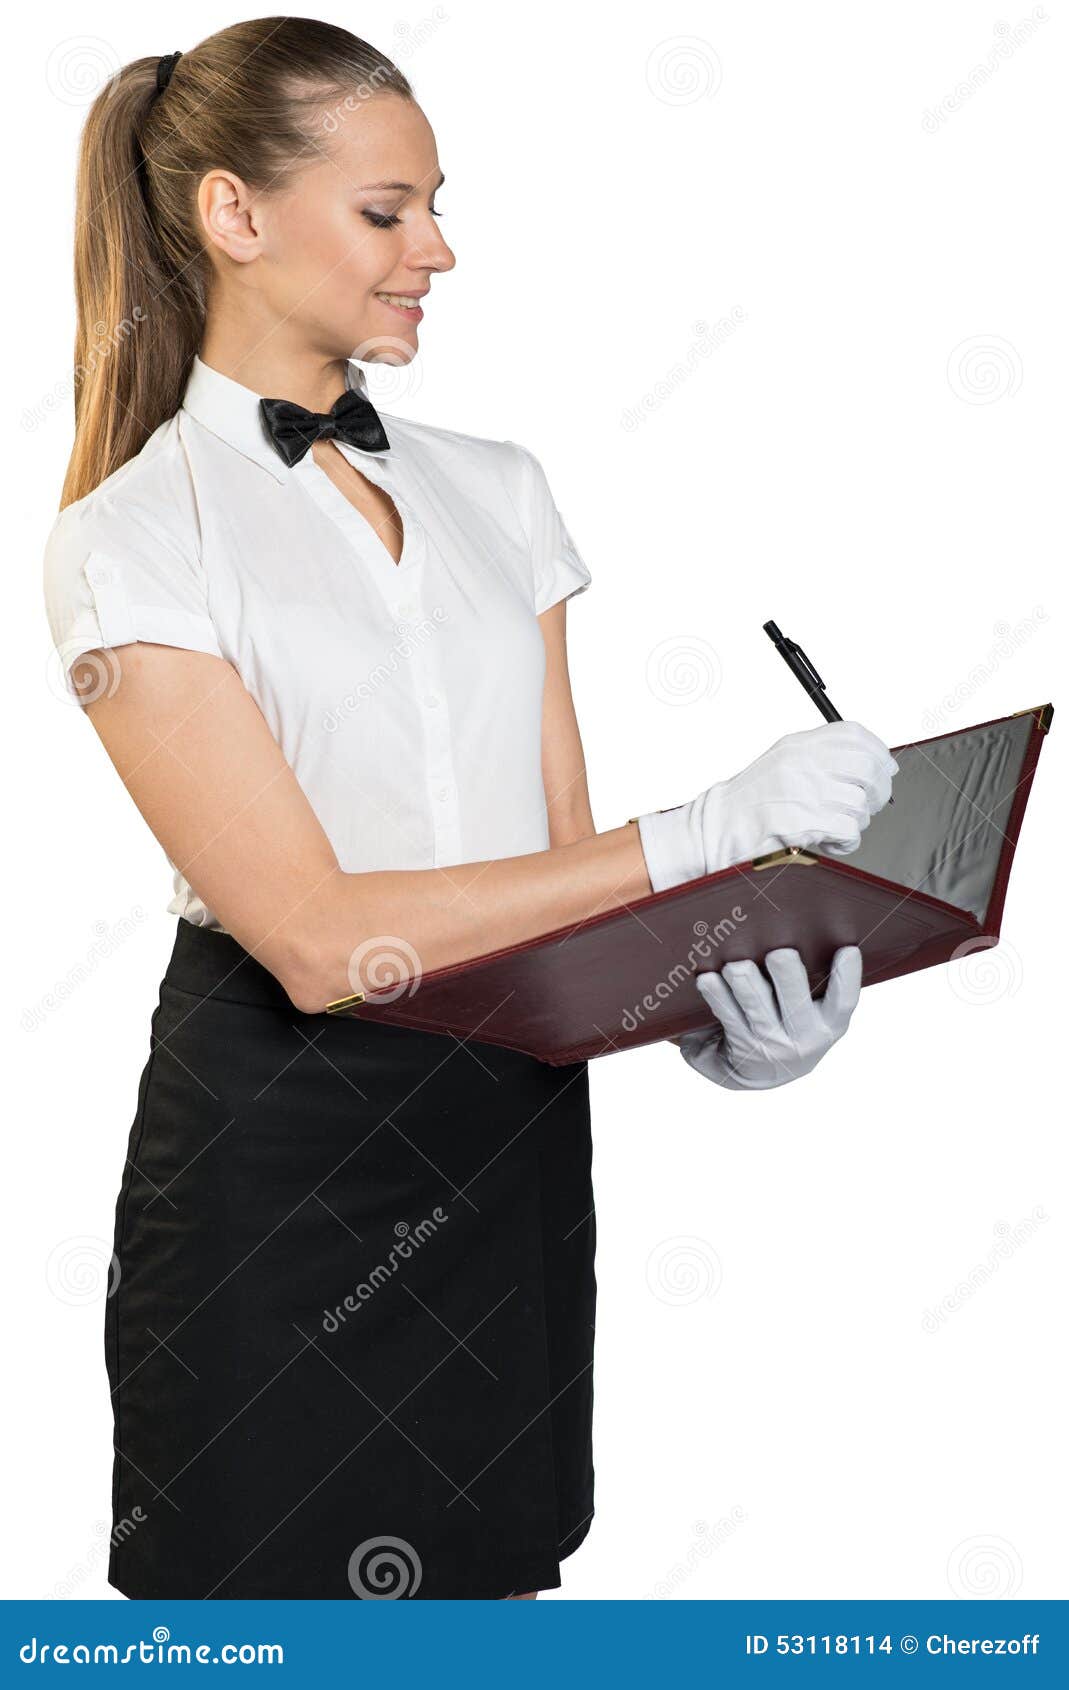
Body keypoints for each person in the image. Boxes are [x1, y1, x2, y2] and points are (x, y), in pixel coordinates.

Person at [41, 17, 897, 1601]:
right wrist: (705, 827)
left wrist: (704, 1004)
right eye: (388, 211)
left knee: (497, 1606)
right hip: (272, 1169)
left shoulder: (501, 490)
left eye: (435, 201)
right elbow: (312, 939)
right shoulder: (130, 537)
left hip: (503, 1149)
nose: (439, 246)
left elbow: (566, 878)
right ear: (235, 215)